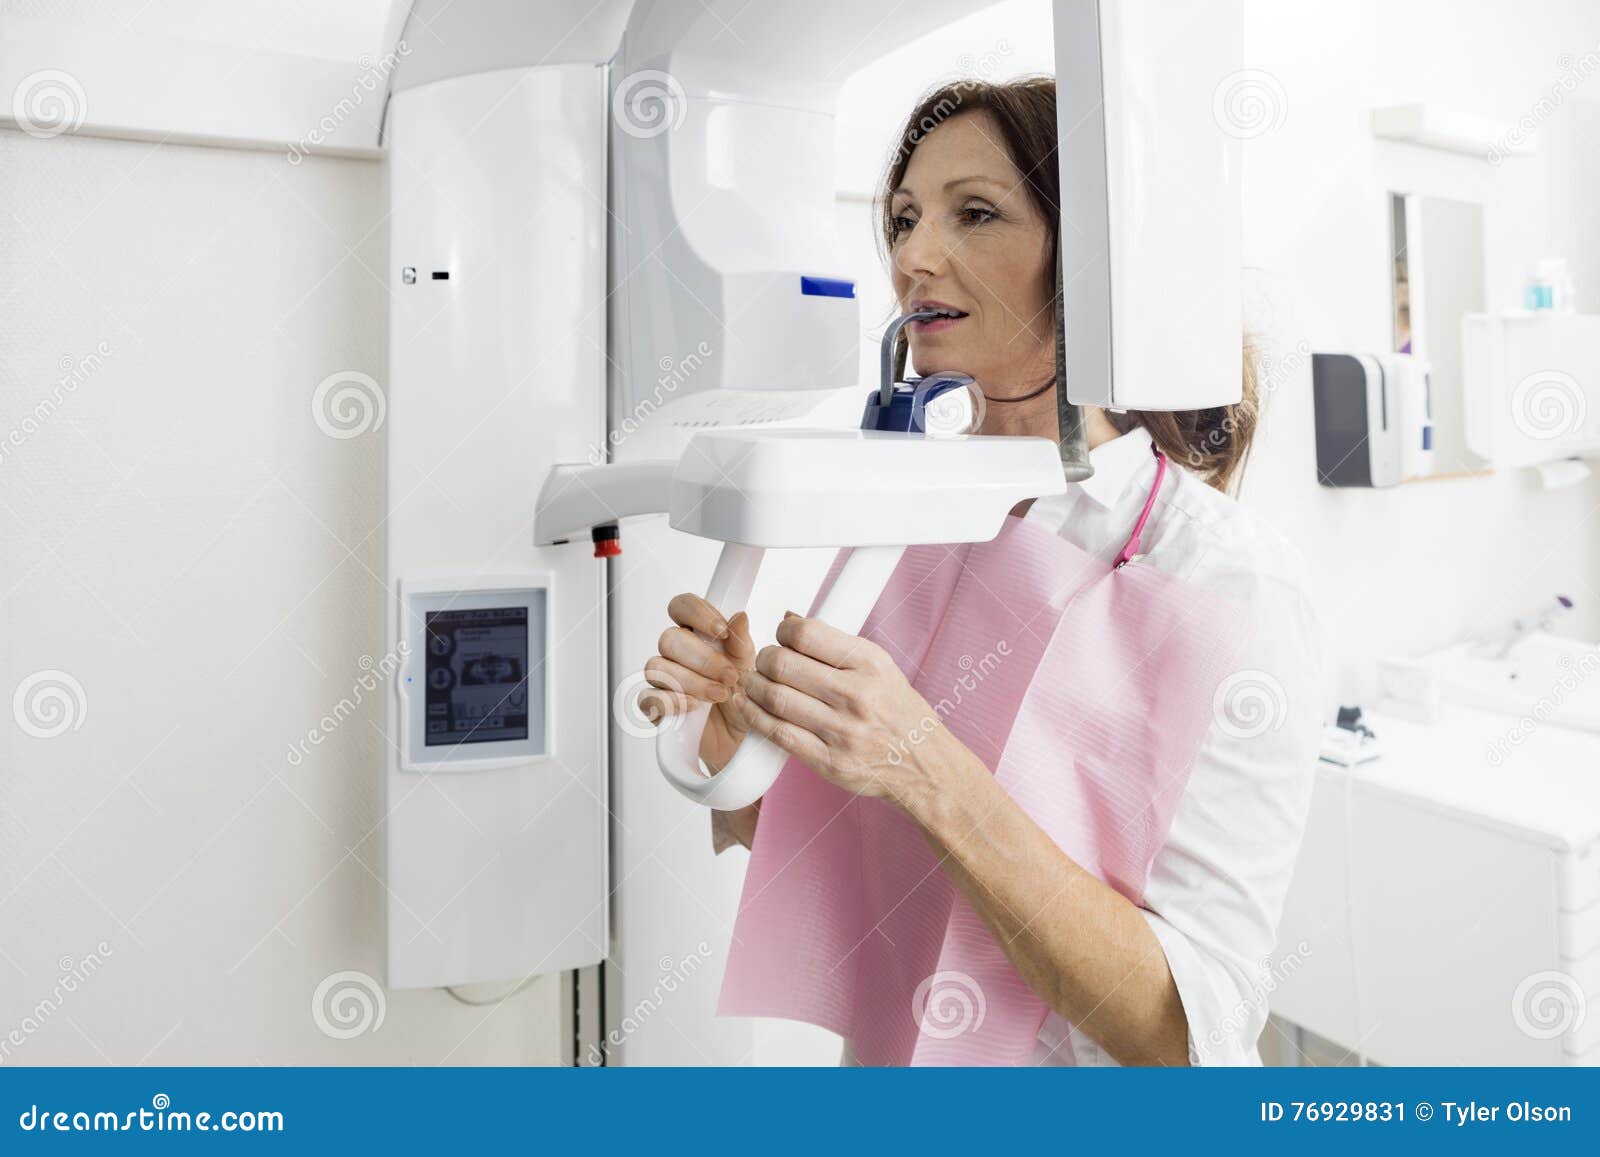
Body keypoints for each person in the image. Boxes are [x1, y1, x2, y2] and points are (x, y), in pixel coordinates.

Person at [642, 77, 1323, 1067]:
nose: (913, 256)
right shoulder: (910, 515)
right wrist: (729, 726)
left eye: (975, 213)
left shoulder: (1228, 579)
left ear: (1095, 260)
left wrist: (921, 758)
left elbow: (1186, 1031)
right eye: (905, 218)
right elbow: (842, 853)